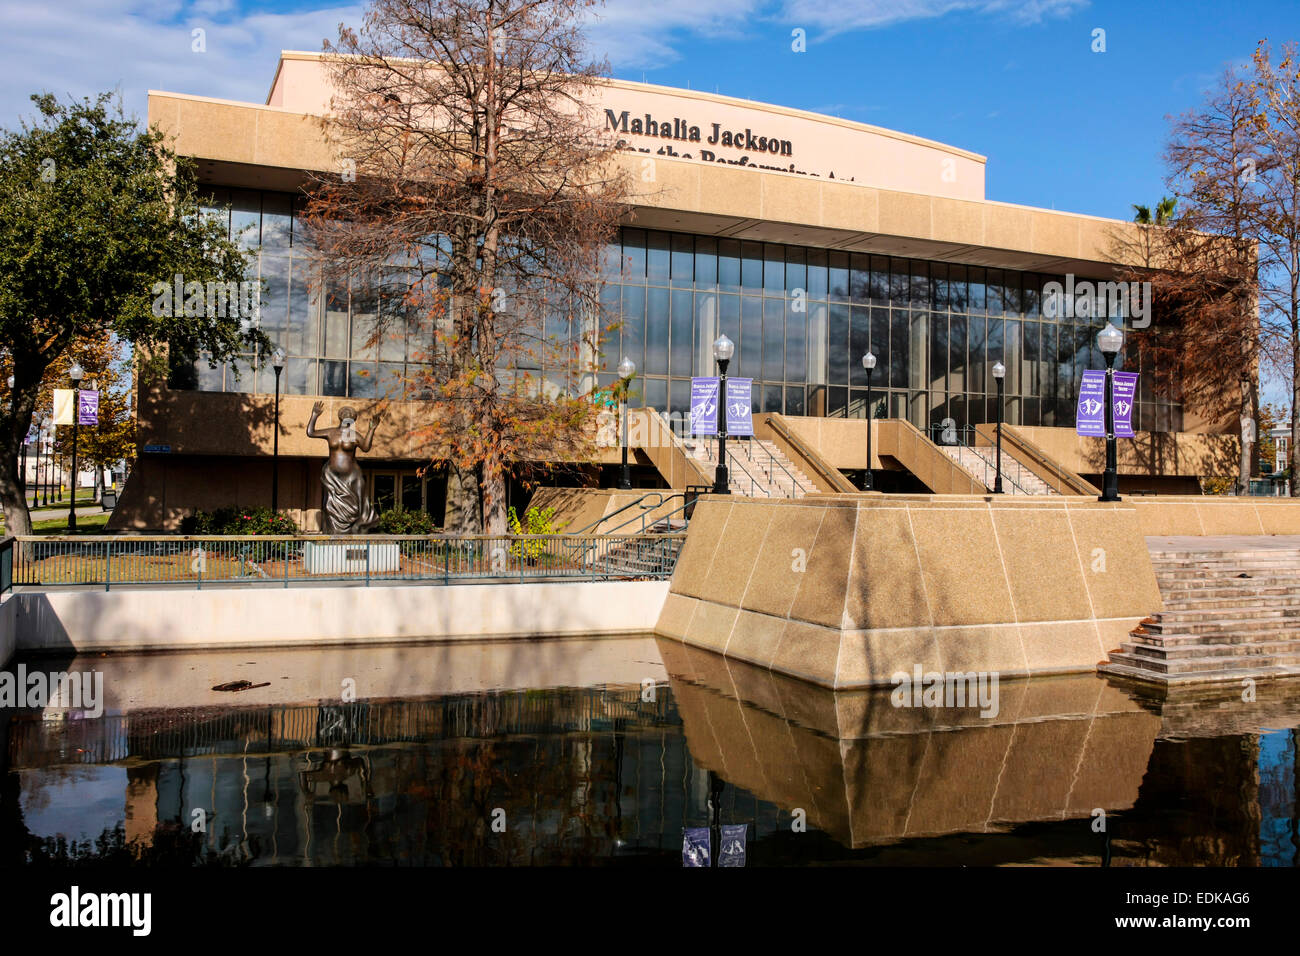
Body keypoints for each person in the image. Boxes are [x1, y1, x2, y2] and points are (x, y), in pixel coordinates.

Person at [307, 402, 381, 534]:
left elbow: (365, 448)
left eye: (351, 416)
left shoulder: (353, 435)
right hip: (332, 476)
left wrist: (372, 429)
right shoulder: (331, 432)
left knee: (356, 506)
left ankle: (356, 529)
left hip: (351, 476)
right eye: (346, 415)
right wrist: (314, 415)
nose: (348, 418)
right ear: (340, 417)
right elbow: (311, 433)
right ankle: (333, 532)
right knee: (330, 506)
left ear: (353, 420)